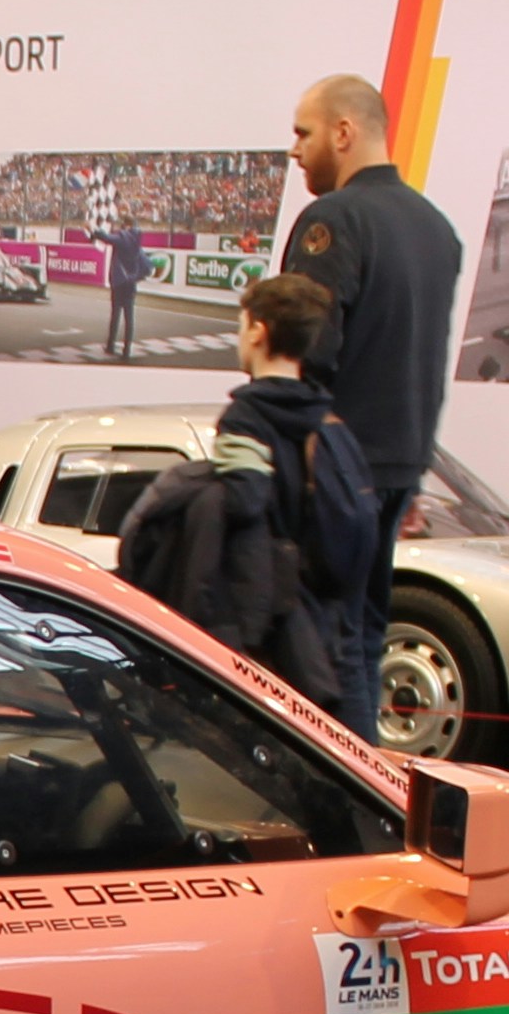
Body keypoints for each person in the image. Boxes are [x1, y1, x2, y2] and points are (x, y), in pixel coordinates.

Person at [280, 75, 465, 736]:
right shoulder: (436, 228)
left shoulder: (333, 221)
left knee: (319, 653)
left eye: (303, 133)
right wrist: (410, 474)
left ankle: (340, 806)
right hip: (392, 469)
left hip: (330, 470)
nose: (295, 150)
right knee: (360, 637)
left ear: (343, 132)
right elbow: (431, 362)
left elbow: (304, 351)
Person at [114, 271, 356, 709]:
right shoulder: (324, 416)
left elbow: (246, 500)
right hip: (318, 607)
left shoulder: (247, 415)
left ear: (259, 331)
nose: (238, 337)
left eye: (241, 326)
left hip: (269, 613)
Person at [101, 218, 151, 360]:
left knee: (115, 315)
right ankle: (127, 348)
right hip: (131, 284)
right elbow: (147, 265)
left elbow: (105, 238)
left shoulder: (122, 239)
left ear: (125, 226)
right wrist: (135, 277)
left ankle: (111, 345)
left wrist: (93, 229)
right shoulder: (136, 243)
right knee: (129, 317)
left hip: (119, 282)